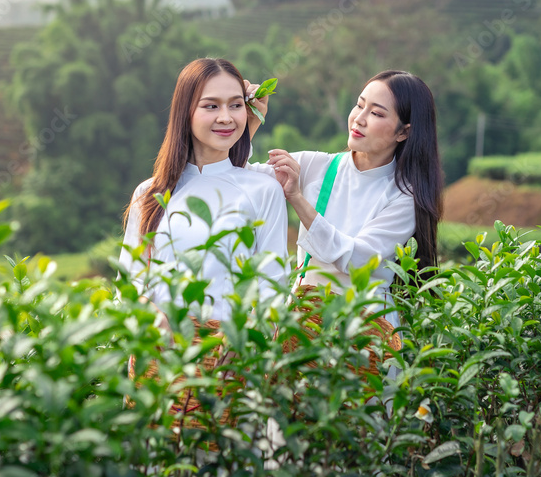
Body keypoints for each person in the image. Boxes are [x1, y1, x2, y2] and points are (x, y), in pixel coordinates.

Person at [245, 70, 444, 328]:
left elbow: (356, 259)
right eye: (360, 105)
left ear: (403, 132)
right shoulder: (316, 166)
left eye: (376, 113)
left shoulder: (404, 197)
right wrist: (250, 122)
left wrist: (296, 198)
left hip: (365, 336)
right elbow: (240, 177)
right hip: (303, 324)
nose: (359, 119)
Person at [120, 58, 289, 325]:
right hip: (159, 358)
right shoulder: (150, 194)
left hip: (234, 358)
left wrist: (232, 344)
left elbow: (273, 287)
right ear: (185, 112)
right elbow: (129, 286)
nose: (226, 117)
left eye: (235, 105)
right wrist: (160, 324)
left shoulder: (263, 190)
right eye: (211, 106)